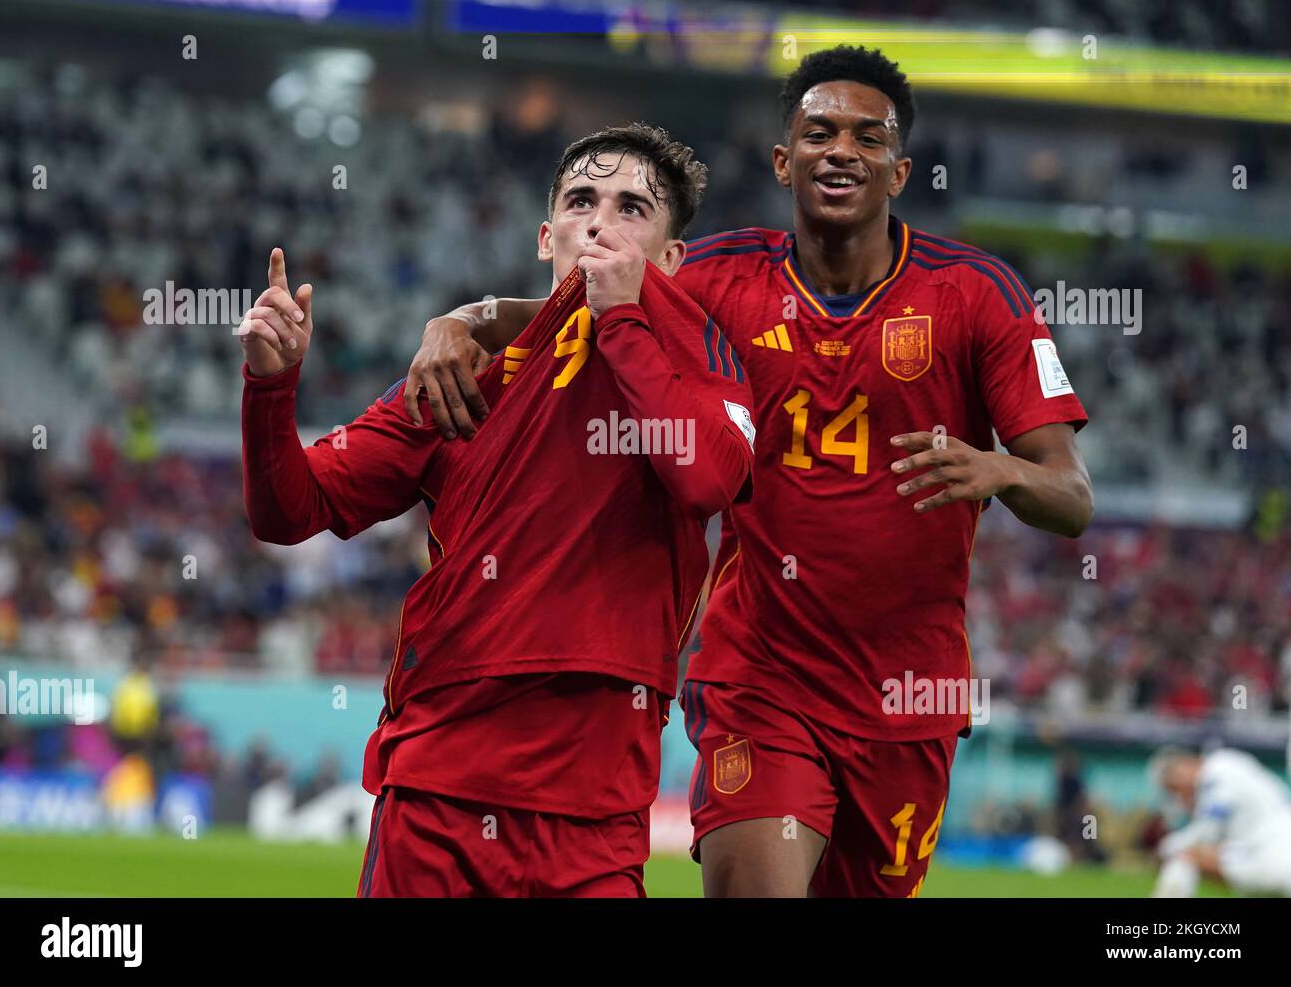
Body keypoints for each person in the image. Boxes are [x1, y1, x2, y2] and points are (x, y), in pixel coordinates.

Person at [404, 45, 1093, 897]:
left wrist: (1000, 470)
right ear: (783, 159)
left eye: (867, 138)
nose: (840, 150)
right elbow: (578, 298)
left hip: (909, 697)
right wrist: (463, 318)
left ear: (899, 168)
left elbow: (1072, 498)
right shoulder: (718, 276)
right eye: (817, 132)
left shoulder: (979, 295)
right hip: (758, 678)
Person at [238, 123, 755, 896]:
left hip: (597, 815)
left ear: (672, 258)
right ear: (549, 236)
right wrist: (271, 388)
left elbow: (705, 480)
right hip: (438, 788)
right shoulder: (462, 371)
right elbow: (290, 510)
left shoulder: (705, 362)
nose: (600, 222)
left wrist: (619, 318)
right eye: (581, 201)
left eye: (631, 208)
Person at [1150, 746, 1291, 897]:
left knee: (1184, 857)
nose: (1179, 795)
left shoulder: (1219, 770)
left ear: (1183, 767)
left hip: (1273, 856)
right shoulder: (1229, 766)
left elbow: (1208, 832)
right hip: (1262, 851)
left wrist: (1168, 846)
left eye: (1174, 788)